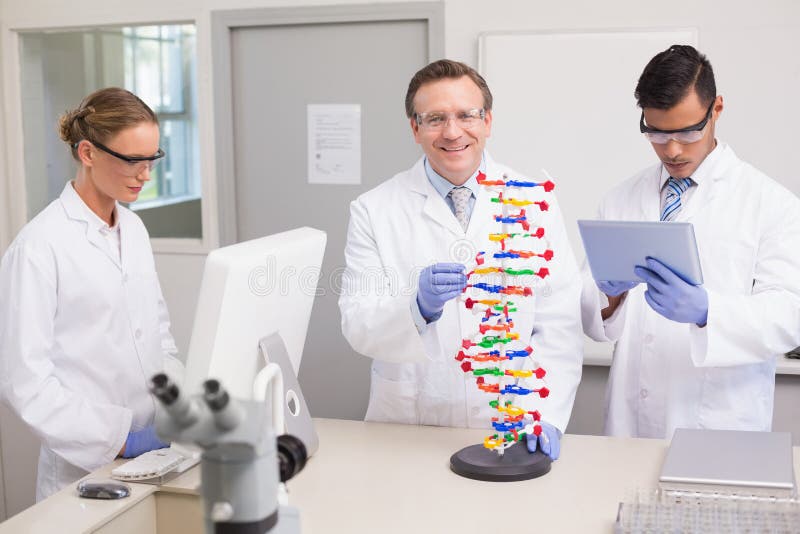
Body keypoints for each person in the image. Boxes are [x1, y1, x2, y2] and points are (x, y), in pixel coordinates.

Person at [339, 60, 583, 460]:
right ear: (414, 128)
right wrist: (416, 309)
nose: (452, 132)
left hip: (511, 424)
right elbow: (356, 322)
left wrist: (546, 412)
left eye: (467, 115)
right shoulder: (374, 210)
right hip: (408, 427)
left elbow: (559, 320)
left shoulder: (534, 200)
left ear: (487, 121)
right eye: (435, 118)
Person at [581, 45, 800, 439]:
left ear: (716, 109)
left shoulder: (772, 204)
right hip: (628, 423)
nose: (672, 149)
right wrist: (608, 295)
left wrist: (708, 312)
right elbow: (589, 312)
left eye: (687, 131)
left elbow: (789, 317)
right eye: (656, 133)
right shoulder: (620, 199)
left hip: (719, 425)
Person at [0, 87, 184, 500]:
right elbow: (24, 382)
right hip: (83, 471)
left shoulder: (134, 230)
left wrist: (180, 404)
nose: (146, 174)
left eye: (152, 159)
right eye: (133, 160)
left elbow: (158, 335)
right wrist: (118, 439)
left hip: (153, 461)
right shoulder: (39, 246)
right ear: (88, 153)